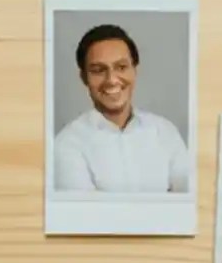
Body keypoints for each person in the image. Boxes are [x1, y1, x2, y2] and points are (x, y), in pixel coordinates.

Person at [52, 23, 190, 194]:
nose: (111, 80)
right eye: (98, 70)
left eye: (121, 67)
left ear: (134, 70)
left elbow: (188, 206)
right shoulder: (66, 145)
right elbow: (86, 219)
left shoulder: (165, 132)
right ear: (84, 78)